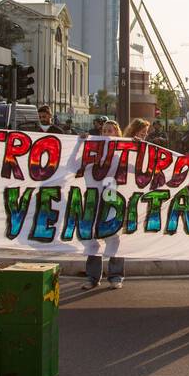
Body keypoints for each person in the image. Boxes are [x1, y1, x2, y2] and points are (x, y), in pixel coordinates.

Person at [83, 119, 137, 290]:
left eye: (110, 131)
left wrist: (138, 148)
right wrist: (80, 142)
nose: (106, 133)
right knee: (92, 236)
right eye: (104, 131)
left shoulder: (120, 154)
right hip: (93, 199)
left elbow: (136, 167)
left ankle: (115, 275)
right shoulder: (92, 152)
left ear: (117, 134)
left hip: (112, 198)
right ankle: (92, 277)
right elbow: (74, 165)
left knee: (113, 236)